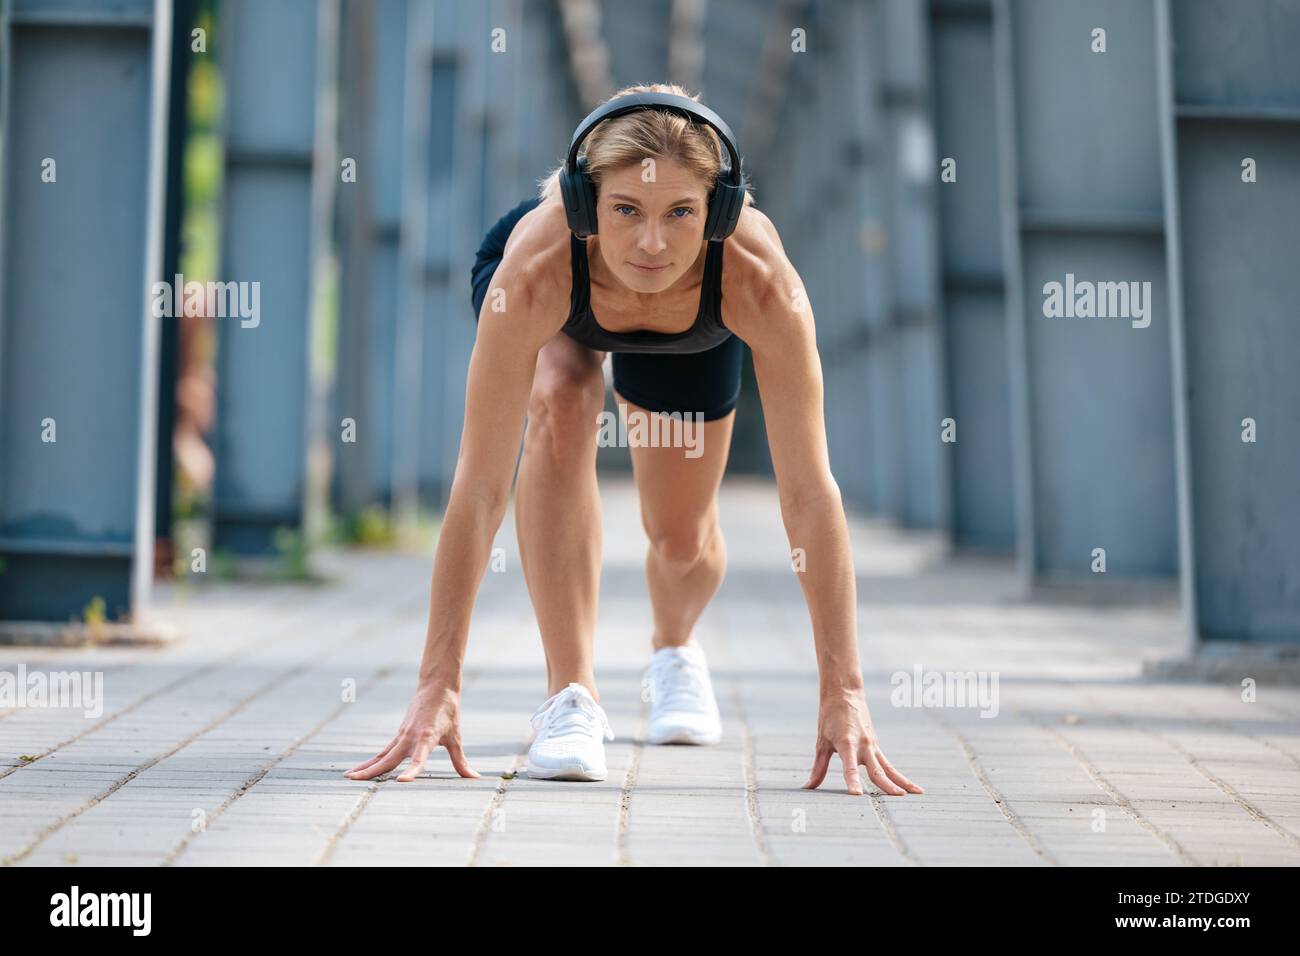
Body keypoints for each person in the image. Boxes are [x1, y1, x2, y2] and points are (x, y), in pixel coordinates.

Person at [346, 83, 923, 798]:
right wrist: (438, 682)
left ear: (721, 211)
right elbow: (480, 485)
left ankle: (674, 648)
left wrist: (846, 690)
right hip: (572, 303)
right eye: (626, 210)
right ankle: (570, 698)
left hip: (696, 323)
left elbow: (808, 493)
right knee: (562, 398)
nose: (652, 243)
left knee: (678, 536)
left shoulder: (759, 280)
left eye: (681, 212)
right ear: (587, 205)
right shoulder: (533, 270)